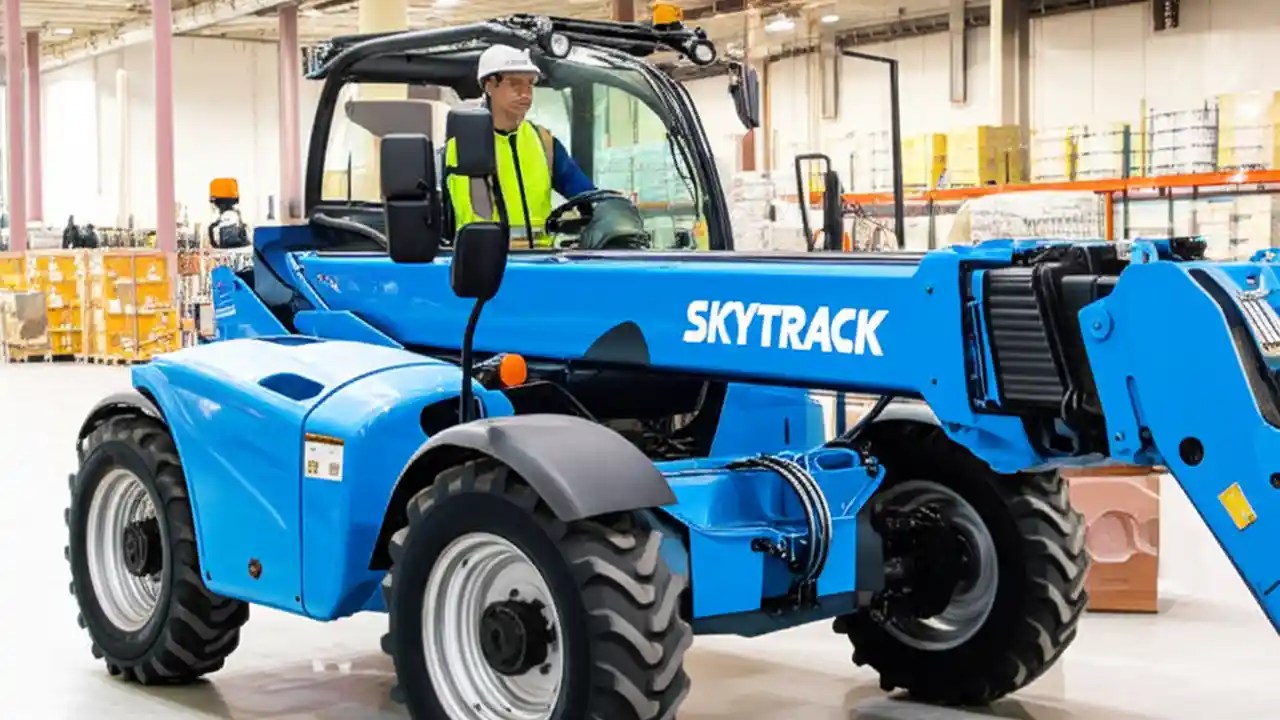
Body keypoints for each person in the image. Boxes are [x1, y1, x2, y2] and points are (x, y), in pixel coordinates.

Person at [445, 44, 595, 247]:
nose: (525, 94)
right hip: (482, 265)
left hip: (539, 265)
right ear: (489, 85)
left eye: (529, 84)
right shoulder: (458, 148)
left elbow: (585, 195)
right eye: (515, 84)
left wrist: (612, 208)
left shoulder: (544, 142)